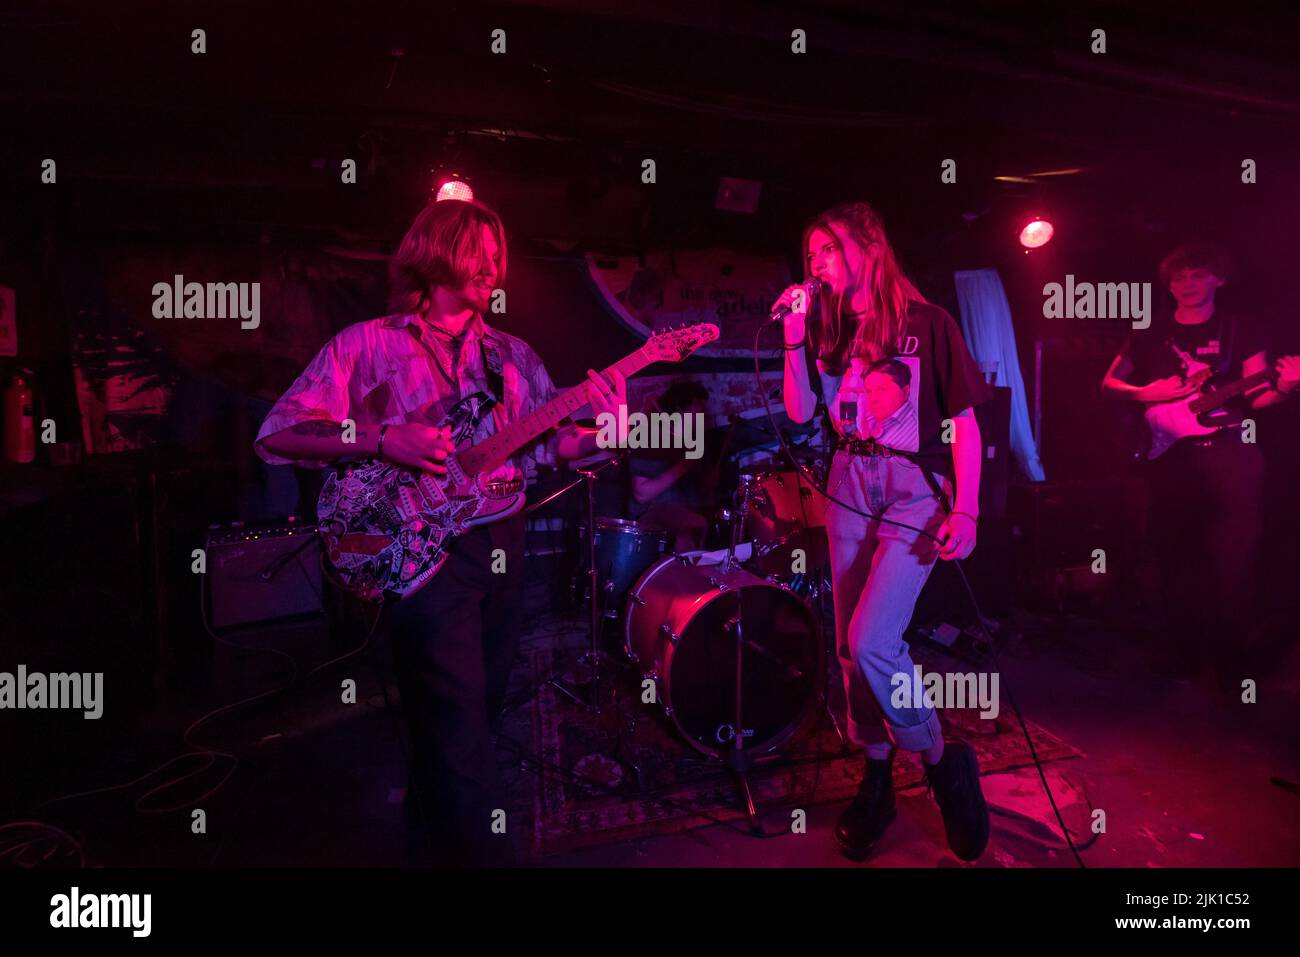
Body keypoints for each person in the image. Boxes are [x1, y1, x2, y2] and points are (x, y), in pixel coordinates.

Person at [254, 199, 626, 865]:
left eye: (497, 251)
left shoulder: (513, 356)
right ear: (436, 250)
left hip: (502, 544)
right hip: (422, 553)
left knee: (478, 706)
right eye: (475, 248)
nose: (491, 264)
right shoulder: (368, 344)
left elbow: (552, 446)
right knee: (458, 724)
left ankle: (431, 840)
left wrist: (609, 432)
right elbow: (279, 431)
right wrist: (381, 437)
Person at [776, 201, 992, 862]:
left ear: (867, 247)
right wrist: (793, 338)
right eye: (811, 255)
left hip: (911, 489)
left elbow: (966, 423)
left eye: (829, 250)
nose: (818, 264)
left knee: (874, 637)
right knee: (847, 646)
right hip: (847, 480)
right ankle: (876, 780)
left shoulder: (928, 323)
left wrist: (969, 509)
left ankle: (937, 759)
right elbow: (802, 410)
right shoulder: (830, 329)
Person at [1100, 242, 1299, 687]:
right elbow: (1109, 384)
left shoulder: (1239, 330)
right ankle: (1183, 649)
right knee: (1175, 555)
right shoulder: (1148, 332)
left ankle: (1230, 657)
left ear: (1219, 279)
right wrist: (1142, 393)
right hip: (1171, 459)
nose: (1187, 284)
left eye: (1197, 275)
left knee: (1235, 559)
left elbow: (1258, 396)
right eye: (1179, 277)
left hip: (1231, 454)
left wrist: (1285, 387)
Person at [626, 380, 712, 551]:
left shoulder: (690, 440)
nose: (703, 413)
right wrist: (684, 466)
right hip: (650, 515)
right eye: (698, 408)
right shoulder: (651, 436)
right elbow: (642, 494)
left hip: (682, 509)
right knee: (694, 525)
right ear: (680, 409)